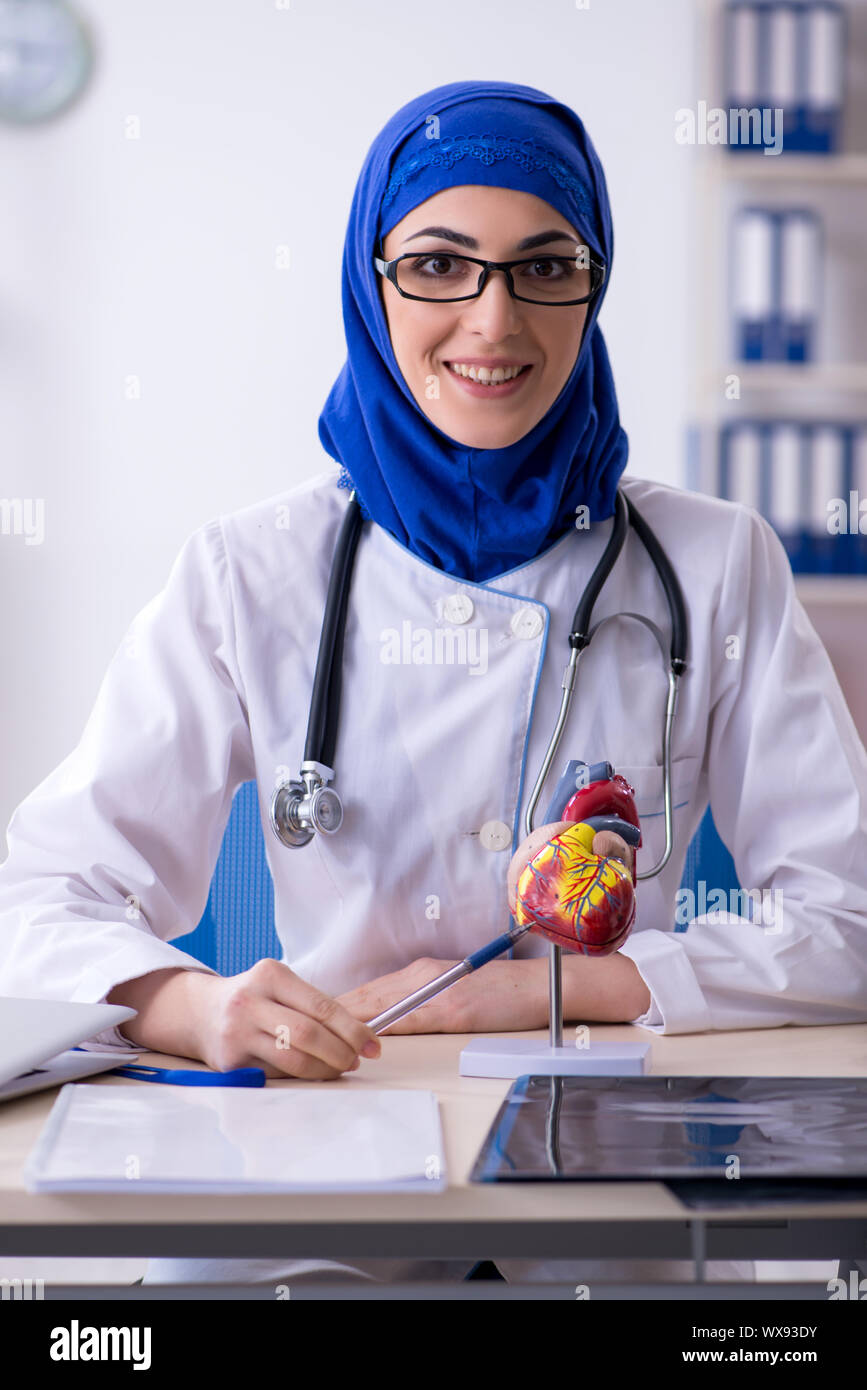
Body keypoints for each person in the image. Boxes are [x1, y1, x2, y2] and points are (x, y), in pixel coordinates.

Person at [1, 79, 865, 1290]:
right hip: (313, 1162)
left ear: (593, 280)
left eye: (545, 264)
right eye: (440, 265)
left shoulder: (716, 563)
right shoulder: (249, 572)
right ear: (372, 280)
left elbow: (851, 917)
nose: (495, 319)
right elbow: (37, 897)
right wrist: (187, 1007)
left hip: (610, 1174)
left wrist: (541, 993)